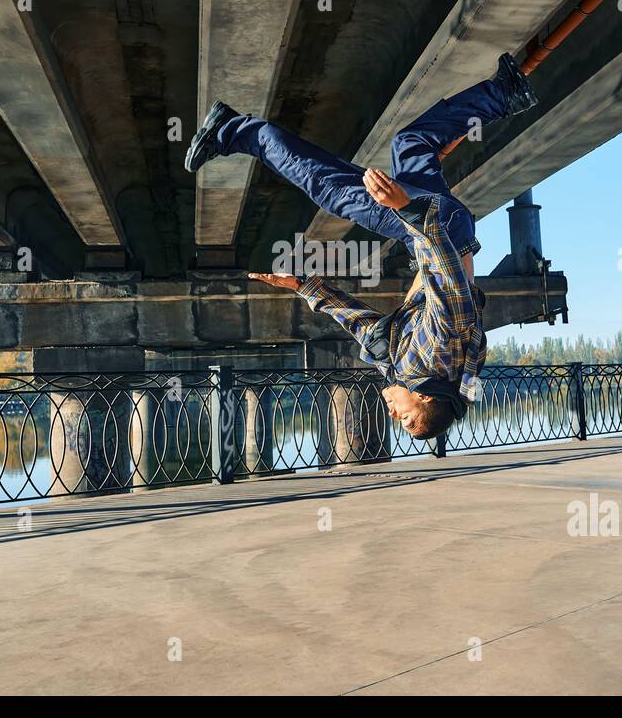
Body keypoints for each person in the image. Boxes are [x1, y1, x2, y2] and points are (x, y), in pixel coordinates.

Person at [184, 53, 538, 440]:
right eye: (406, 419)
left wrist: (305, 288)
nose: (393, 415)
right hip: (437, 232)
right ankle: (233, 130)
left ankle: (504, 93)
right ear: (425, 399)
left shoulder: (409, 368)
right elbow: (448, 280)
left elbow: (366, 327)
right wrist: (408, 210)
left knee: (411, 144)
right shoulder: (441, 353)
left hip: (446, 228)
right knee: (331, 189)